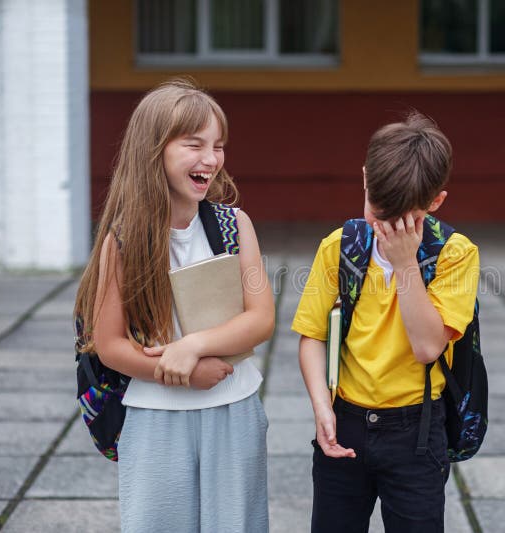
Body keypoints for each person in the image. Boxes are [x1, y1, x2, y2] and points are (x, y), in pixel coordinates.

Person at [73, 78, 275, 532]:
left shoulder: (234, 225)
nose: (211, 158)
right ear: (154, 150)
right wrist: (182, 372)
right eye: (194, 145)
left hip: (235, 409)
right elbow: (109, 346)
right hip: (154, 416)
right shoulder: (122, 241)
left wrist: (193, 346)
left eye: (218, 146)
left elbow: (261, 319)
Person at [292, 112, 479, 532]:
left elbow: (428, 347)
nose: (387, 228)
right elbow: (312, 336)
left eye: (403, 218)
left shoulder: (454, 253)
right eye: (379, 212)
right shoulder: (339, 247)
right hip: (345, 422)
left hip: (416, 431)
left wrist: (404, 265)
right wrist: (323, 408)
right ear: (364, 180)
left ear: (435, 203)